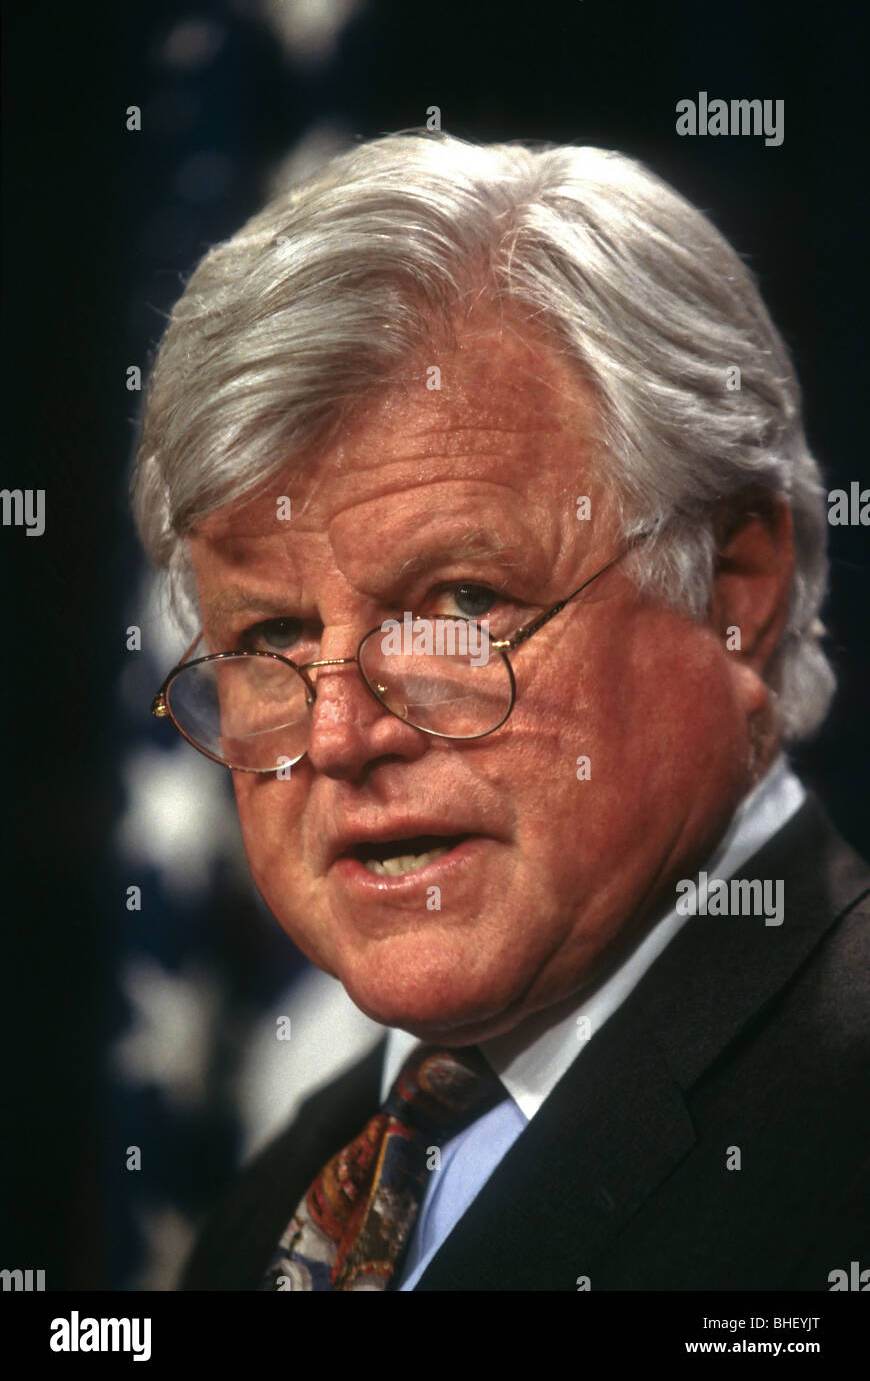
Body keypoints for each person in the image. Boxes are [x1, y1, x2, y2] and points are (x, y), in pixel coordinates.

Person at [132, 130, 869, 1291]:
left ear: (736, 589)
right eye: (271, 638)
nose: (338, 738)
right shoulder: (281, 1205)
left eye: (461, 604)